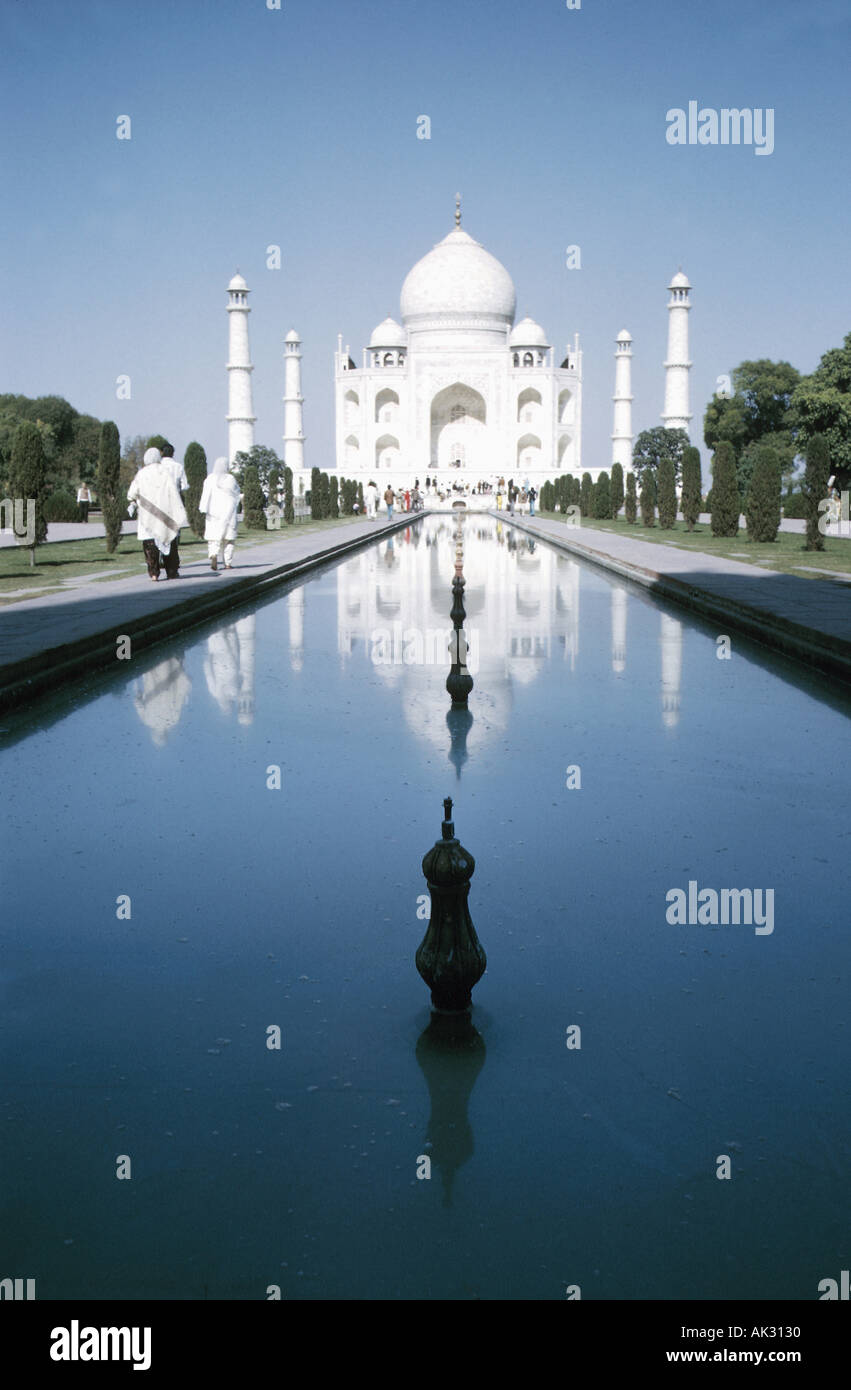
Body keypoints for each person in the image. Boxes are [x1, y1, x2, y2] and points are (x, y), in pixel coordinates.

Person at [126, 447, 188, 581]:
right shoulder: (165, 472)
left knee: (150, 546)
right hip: (165, 515)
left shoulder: (141, 474)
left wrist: (133, 501)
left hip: (148, 514)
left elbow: (132, 492)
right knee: (169, 544)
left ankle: (154, 573)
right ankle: (171, 572)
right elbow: (174, 492)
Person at [199, 456, 241, 572]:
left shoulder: (209, 479)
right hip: (228, 513)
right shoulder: (230, 478)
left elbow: (205, 495)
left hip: (213, 513)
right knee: (229, 539)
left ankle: (213, 554)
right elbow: (236, 493)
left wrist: (203, 508)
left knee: (213, 538)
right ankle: (227, 563)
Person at [159, 444, 189, 578]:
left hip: (159, 503)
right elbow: (185, 486)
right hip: (174, 503)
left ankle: (160, 559)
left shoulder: (157, 467)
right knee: (174, 536)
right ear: (173, 453)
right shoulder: (178, 467)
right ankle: (172, 567)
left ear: (161, 453)